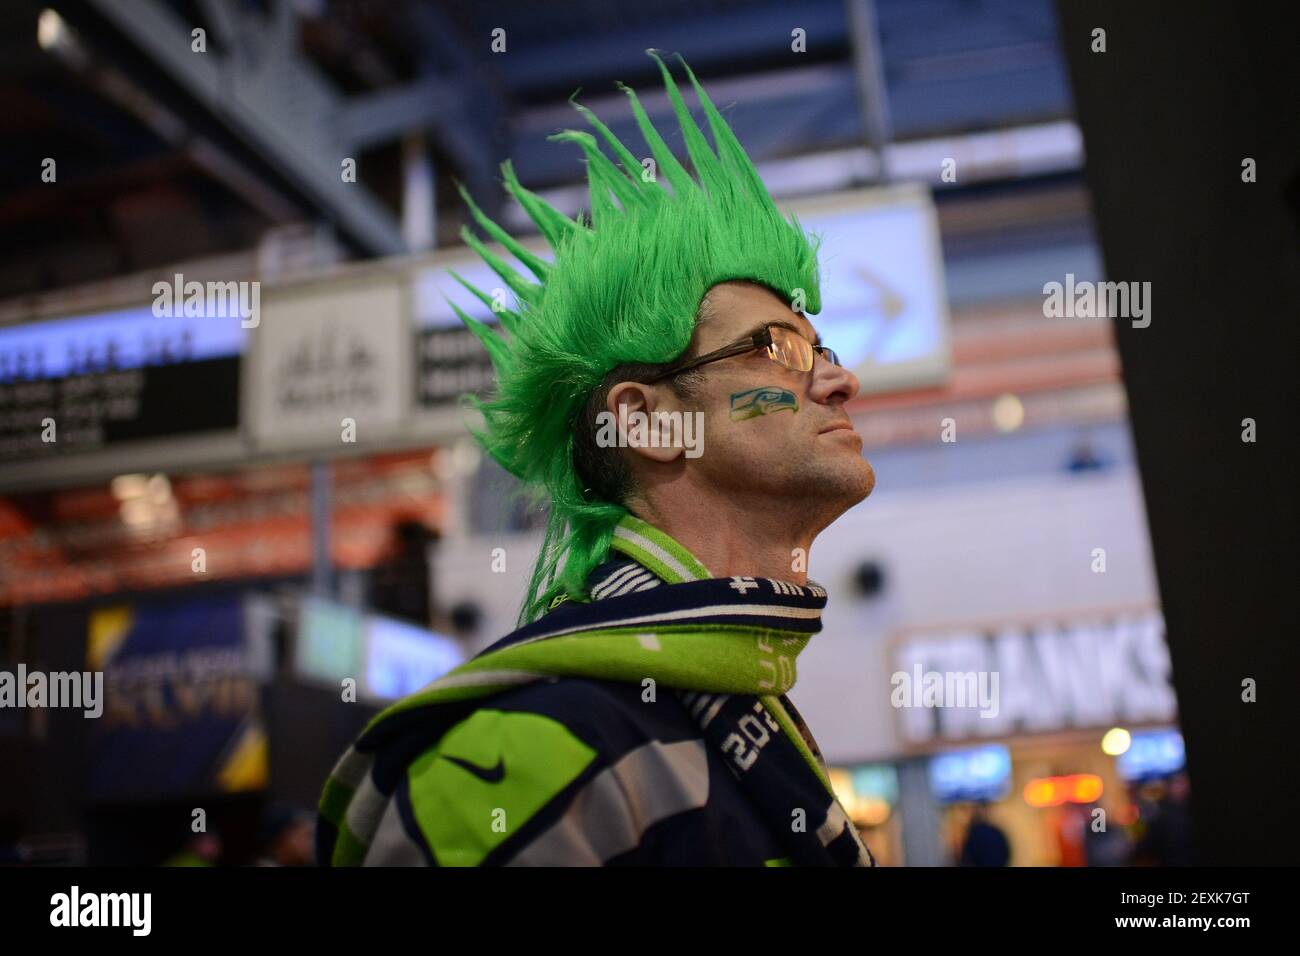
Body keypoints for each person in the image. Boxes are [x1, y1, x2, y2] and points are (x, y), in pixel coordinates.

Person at [317, 50, 877, 867]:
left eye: (821, 346)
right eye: (778, 348)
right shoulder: (528, 759)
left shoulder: (738, 717)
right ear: (647, 424)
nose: (841, 378)